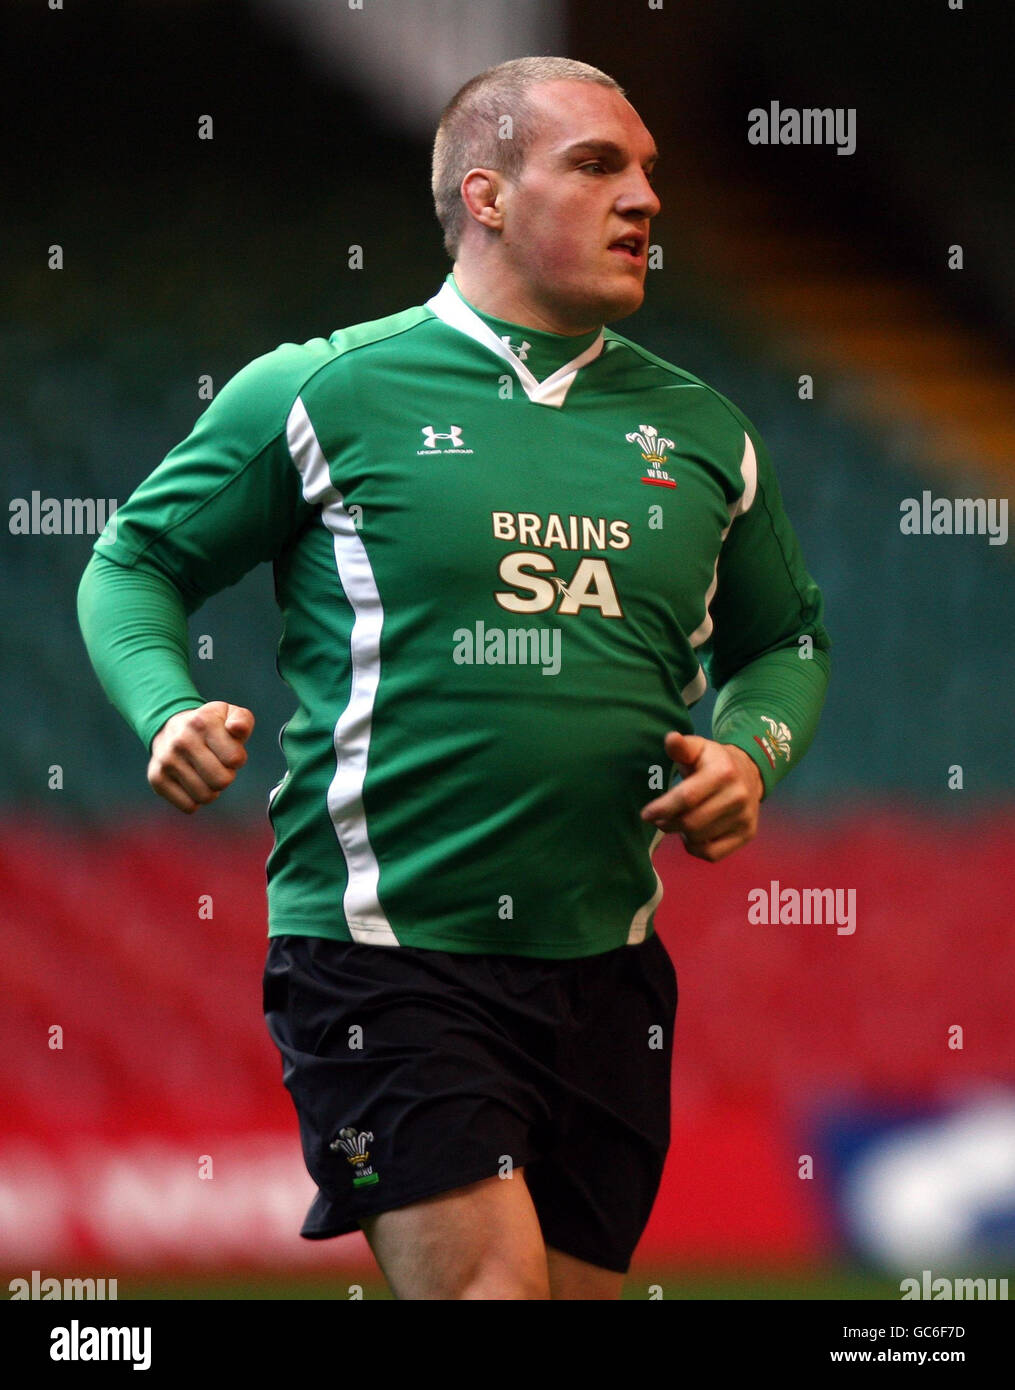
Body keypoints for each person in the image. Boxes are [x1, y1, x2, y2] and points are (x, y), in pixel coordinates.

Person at [78, 56, 830, 1300]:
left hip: (608, 966)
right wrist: (164, 709)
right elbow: (132, 563)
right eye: (597, 165)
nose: (644, 198)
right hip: (383, 955)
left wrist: (750, 753)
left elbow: (785, 645)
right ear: (485, 195)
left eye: (649, 171)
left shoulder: (705, 434)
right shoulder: (324, 389)